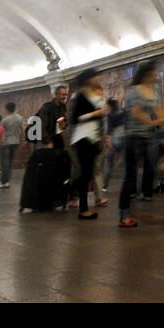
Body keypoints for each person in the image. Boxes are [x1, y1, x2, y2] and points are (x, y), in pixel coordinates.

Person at [118, 61, 164, 228]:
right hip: (133, 137)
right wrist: (153, 122)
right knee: (130, 176)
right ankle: (123, 215)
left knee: (151, 168)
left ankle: (146, 200)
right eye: (155, 71)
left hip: (148, 137)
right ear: (148, 73)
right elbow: (136, 111)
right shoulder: (135, 91)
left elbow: (158, 111)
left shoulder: (153, 93)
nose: (157, 74)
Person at [69, 73, 107, 220]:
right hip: (83, 138)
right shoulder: (80, 96)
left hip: (92, 139)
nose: (97, 78)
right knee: (85, 174)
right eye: (94, 76)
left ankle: (73, 195)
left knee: (87, 174)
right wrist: (94, 113)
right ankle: (83, 209)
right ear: (88, 79)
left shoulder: (94, 95)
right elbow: (75, 118)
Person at [34, 85, 69, 150]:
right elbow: (41, 126)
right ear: (56, 95)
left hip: (56, 138)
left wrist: (64, 125)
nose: (65, 97)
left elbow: (63, 122)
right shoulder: (47, 107)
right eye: (63, 95)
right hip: (44, 139)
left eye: (66, 95)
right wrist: (48, 142)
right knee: (46, 159)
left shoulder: (63, 107)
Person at [0, 102, 24, 190]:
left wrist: (0, 143)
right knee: (10, 162)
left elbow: (1, 133)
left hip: (6, 143)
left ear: (6, 109)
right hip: (15, 142)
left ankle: (4, 182)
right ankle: (7, 181)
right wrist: (21, 140)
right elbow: (22, 129)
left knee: (5, 163)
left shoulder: (4, 120)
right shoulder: (20, 118)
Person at [101, 98, 125, 191]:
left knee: (108, 165)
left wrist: (108, 142)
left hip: (113, 140)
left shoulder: (110, 114)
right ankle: (127, 186)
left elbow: (109, 130)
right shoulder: (123, 111)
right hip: (124, 139)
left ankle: (104, 186)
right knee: (126, 166)